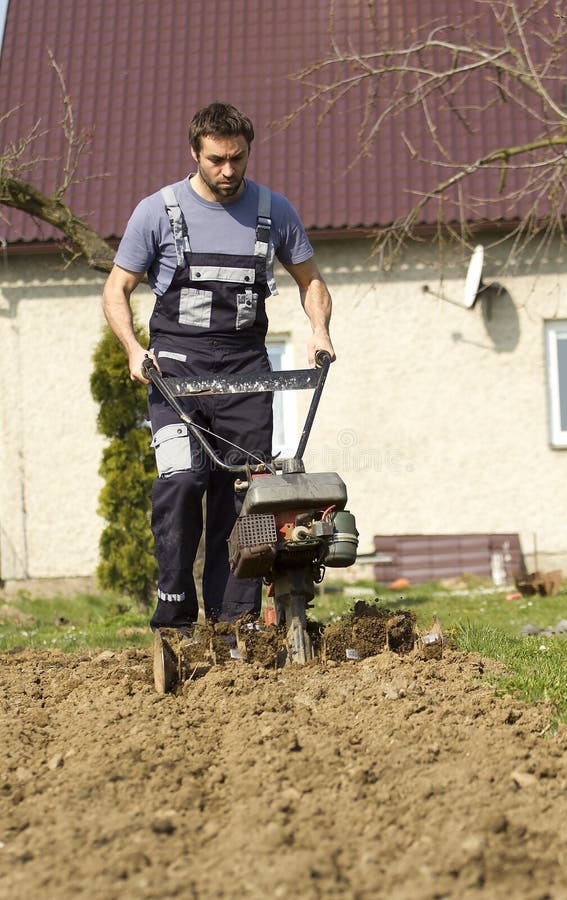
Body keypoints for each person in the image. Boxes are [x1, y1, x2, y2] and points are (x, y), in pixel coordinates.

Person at [102, 101, 335, 632]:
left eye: (237, 158)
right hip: (176, 371)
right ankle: (176, 614)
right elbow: (116, 288)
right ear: (195, 153)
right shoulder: (157, 211)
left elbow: (311, 281)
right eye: (215, 160)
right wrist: (134, 349)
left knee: (244, 493)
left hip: (245, 371)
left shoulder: (274, 211)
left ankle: (236, 622)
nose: (228, 171)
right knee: (182, 482)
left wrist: (318, 330)